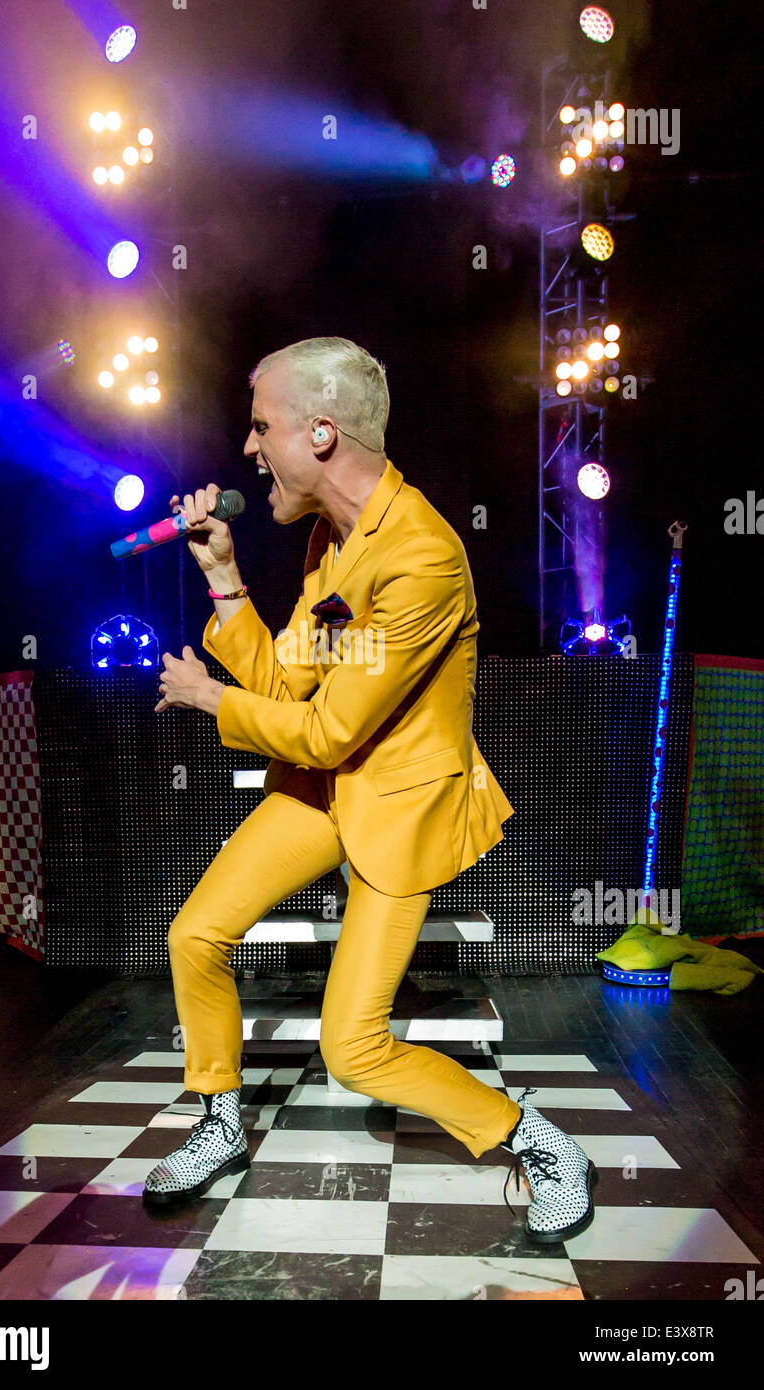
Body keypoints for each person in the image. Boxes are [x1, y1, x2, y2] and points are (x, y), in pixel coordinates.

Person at [143, 337, 597, 1244]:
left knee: (353, 1048)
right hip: (324, 790)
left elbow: (327, 730)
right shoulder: (333, 541)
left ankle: (541, 1144)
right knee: (195, 933)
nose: (246, 448)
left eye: (259, 424)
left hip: (396, 802)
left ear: (318, 433)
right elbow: (291, 689)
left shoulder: (421, 557)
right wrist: (224, 576)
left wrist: (208, 699)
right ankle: (220, 1118)